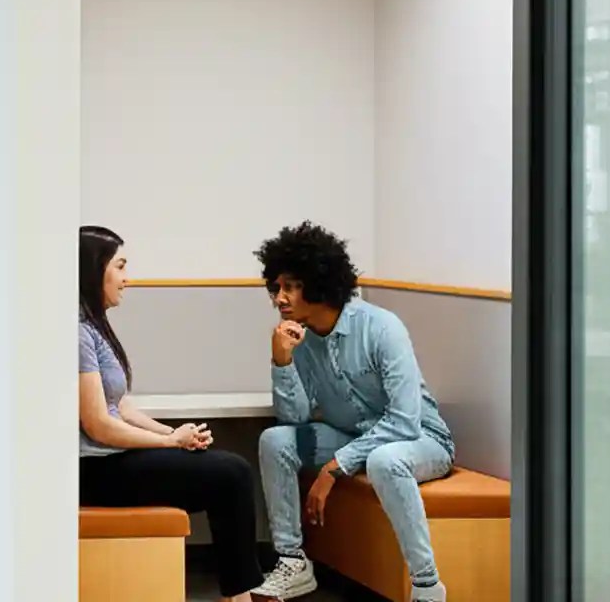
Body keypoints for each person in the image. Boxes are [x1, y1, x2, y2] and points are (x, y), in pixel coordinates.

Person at [248, 222, 456, 602]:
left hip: (420, 441)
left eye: (290, 286)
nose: (280, 298)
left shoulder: (381, 327)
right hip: (355, 438)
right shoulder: (303, 337)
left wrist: (335, 465)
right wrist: (282, 362)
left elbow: (405, 420)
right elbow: (294, 420)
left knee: (384, 460)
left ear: (319, 283)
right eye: (276, 287)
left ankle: (427, 586)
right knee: (275, 441)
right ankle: (293, 561)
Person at [77, 225, 267, 602]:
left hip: (109, 461)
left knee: (227, 472)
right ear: (93, 269)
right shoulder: (77, 332)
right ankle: (240, 596)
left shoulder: (93, 328)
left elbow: (121, 406)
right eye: (120, 266)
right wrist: (168, 441)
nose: (127, 278)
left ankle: (238, 595)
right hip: (93, 471)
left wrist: (175, 434)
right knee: (231, 474)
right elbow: (98, 424)